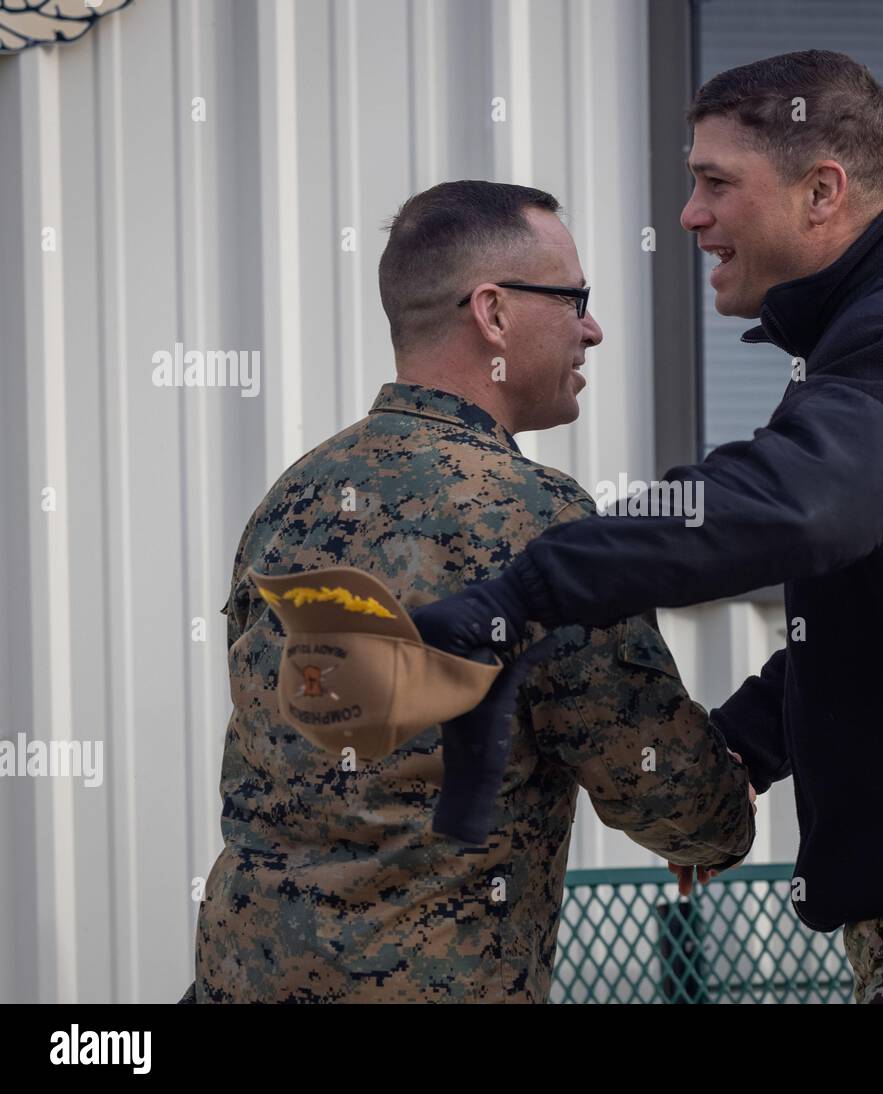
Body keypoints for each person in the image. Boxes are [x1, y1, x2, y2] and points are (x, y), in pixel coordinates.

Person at [404, 52, 883, 1003]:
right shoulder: (870, 340)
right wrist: (754, 739)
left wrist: (523, 590)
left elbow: (800, 505)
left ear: (822, 191)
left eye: (716, 183)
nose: (690, 214)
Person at [185, 180, 755, 1003]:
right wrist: (722, 814)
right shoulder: (539, 518)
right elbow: (661, 786)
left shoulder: (291, 497)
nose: (591, 329)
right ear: (493, 313)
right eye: (576, 299)